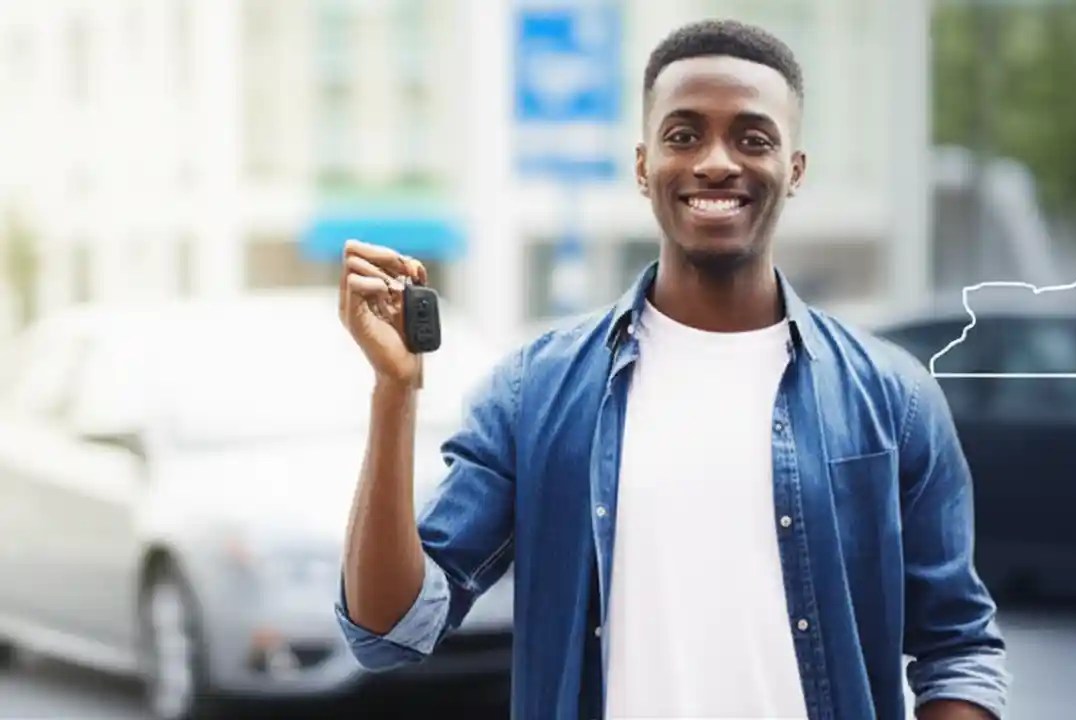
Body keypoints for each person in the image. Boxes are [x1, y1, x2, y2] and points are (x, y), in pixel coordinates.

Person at [335, 19, 1009, 720]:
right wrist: (394, 393)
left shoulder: (890, 399)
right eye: (683, 135)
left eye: (753, 137)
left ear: (795, 170)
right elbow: (390, 630)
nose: (716, 161)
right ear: (642, 165)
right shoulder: (534, 394)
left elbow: (958, 650)